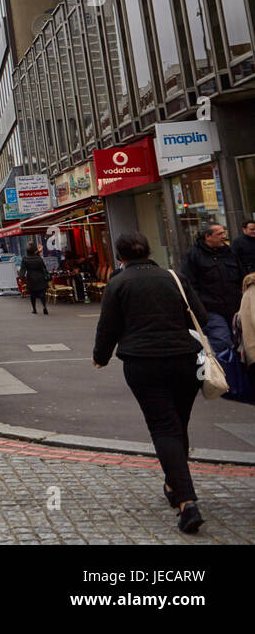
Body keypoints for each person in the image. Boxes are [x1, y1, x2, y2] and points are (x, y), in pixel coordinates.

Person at [93, 231, 206, 534]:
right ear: (149, 250)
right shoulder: (174, 278)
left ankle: (186, 502)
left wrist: (101, 357)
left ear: (121, 256)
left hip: (144, 363)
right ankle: (174, 484)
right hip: (185, 360)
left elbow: (108, 327)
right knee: (178, 424)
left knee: (163, 427)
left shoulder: (118, 283)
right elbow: (202, 317)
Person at [180, 224, 240, 354]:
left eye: (224, 232)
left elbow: (241, 276)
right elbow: (189, 285)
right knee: (222, 343)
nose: (224, 236)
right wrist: (200, 308)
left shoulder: (229, 252)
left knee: (239, 344)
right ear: (207, 236)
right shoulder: (193, 255)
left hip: (234, 308)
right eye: (219, 234)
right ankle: (221, 373)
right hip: (211, 310)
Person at [20, 243, 49, 314]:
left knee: (33, 294)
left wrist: (21, 278)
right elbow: (44, 268)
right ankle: (44, 306)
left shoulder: (25, 259)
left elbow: (23, 269)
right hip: (40, 277)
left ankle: (34, 309)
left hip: (31, 277)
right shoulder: (39, 258)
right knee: (42, 293)